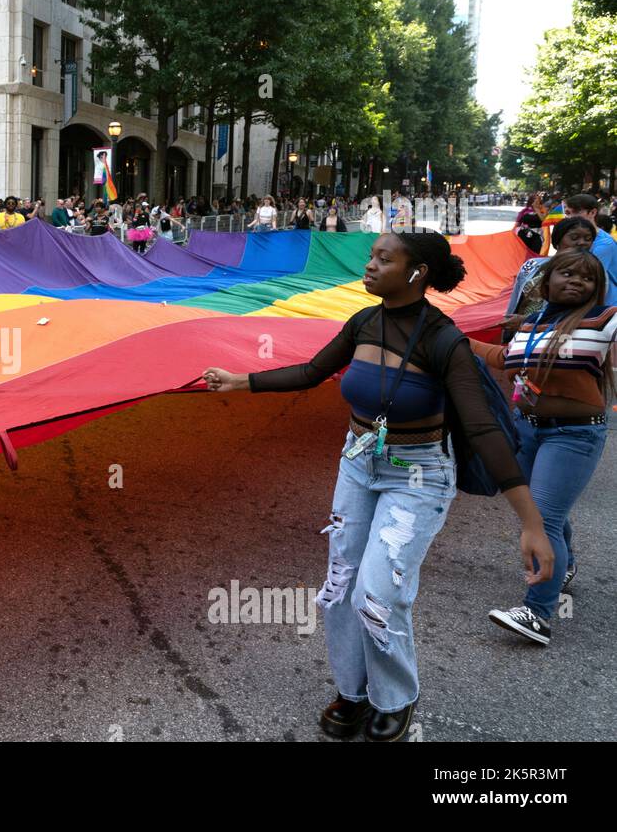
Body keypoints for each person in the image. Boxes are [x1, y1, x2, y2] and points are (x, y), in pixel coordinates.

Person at [202, 229, 549, 742]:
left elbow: (480, 428)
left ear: (417, 273)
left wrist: (531, 521)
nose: (370, 266)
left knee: (378, 592)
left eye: (383, 259)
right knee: (341, 586)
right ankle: (353, 692)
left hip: (419, 474)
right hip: (358, 462)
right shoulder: (363, 321)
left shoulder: (443, 339)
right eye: (371, 257)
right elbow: (312, 372)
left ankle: (395, 698)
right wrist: (240, 380)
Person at [468, 251, 614, 645]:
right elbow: (504, 359)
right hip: (526, 430)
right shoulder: (531, 323)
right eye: (566, 274)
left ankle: (537, 614)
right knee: (547, 510)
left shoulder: (606, 319)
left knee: (542, 517)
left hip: (574, 435)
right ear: (545, 282)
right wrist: (460, 341)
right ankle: (564, 567)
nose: (575, 282)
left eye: (586, 279)